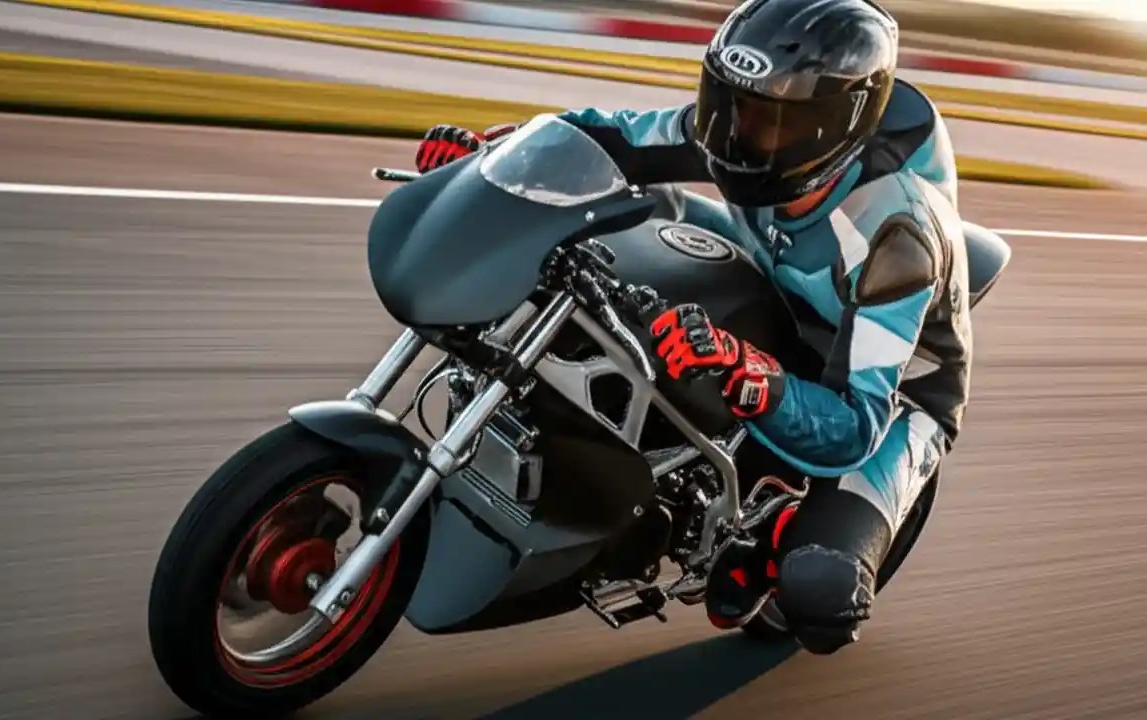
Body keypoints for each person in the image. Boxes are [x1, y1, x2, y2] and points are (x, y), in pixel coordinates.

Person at [412, 0, 971, 656]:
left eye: (766, 118)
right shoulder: (743, 131)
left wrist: (746, 370)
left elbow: (853, 426)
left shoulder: (895, 239)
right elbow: (606, 139)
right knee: (613, 216)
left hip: (894, 392)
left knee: (820, 592)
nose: (734, 133)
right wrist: (496, 158)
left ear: (830, 129)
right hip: (777, 275)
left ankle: (775, 537)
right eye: (729, 103)